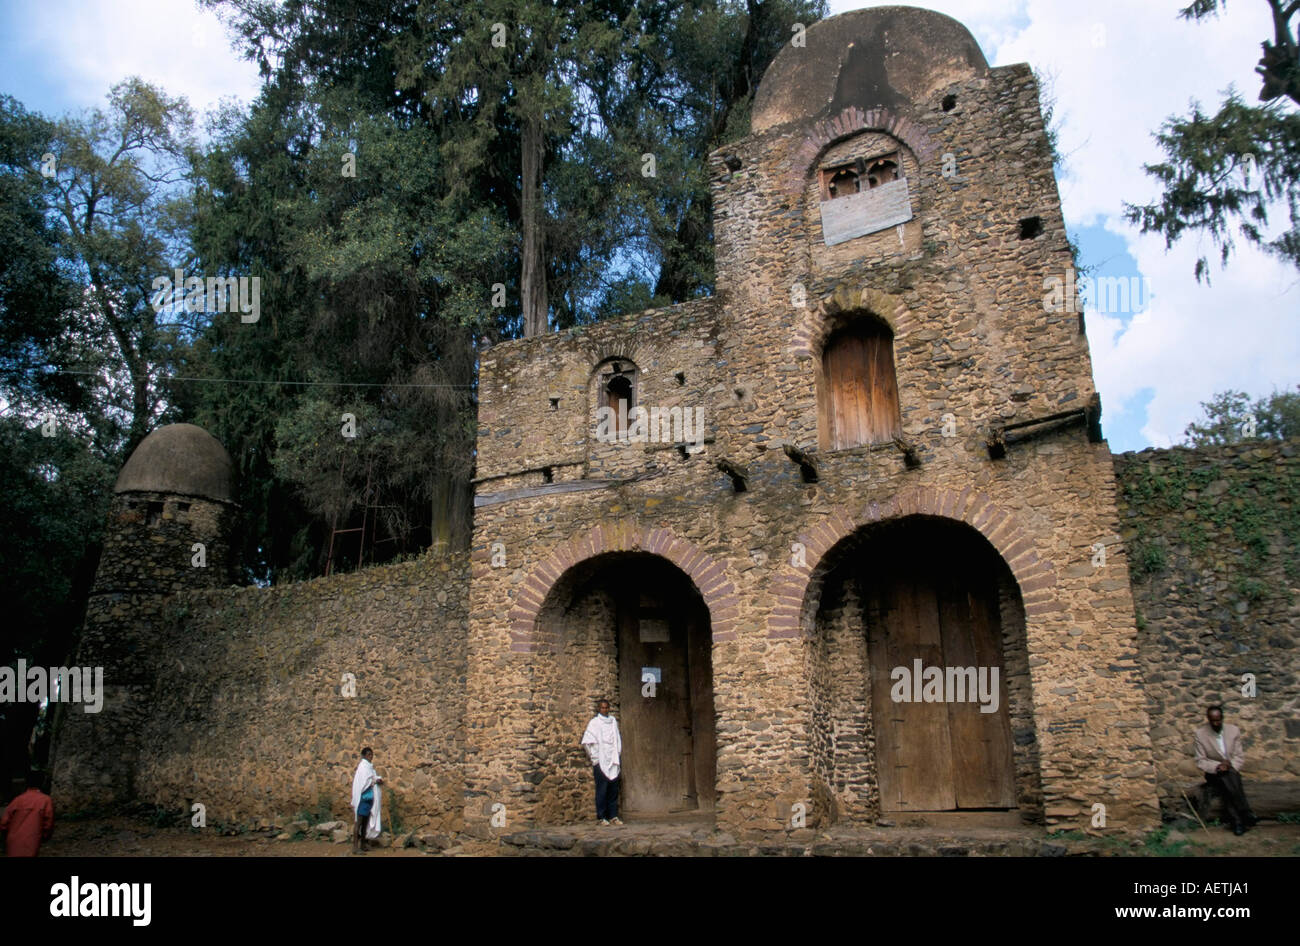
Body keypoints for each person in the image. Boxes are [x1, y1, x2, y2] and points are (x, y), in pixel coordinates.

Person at [1195, 705, 1258, 836]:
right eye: (1212, 720)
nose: (1215, 723)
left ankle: (1237, 822)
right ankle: (1245, 811)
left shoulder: (1233, 731)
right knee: (1226, 776)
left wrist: (1229, 764)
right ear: (1208, 719)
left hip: (1231, 769)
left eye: (1218, 720)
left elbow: (1239, 756)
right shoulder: (1200, 734)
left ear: (1222, 718)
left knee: (1227, 782)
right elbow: (1200, 760)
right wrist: (1217, 767)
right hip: (1214, 773)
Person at [581, 699, 623, 826]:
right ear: (599, 709)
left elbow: (617, 739)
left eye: (606, 707)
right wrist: (595, 758)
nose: (604, 709)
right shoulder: (594, 723)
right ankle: (601, 816)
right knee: (602, 789)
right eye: (602, 708)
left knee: (613, 789)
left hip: (612, 759)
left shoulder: (613, 722)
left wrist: (617, 754)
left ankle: (613, 815)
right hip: (601, 760)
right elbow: (587, 742)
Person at [1, 770, 55, 857]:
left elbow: (4, 822)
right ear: (42, 782)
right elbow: (48, 823)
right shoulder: (45, 800)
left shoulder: (17, 800)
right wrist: (44, 836)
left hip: (13, 841)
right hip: (32, 839)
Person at [350, 747, 383, 854]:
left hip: (369, 799)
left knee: (365, 823)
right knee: (358, 822)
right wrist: (374, 781)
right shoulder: (363, 767)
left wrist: (376, 780)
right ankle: (355, 847)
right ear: (364, 756)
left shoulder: (369, 768)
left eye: (372, 754)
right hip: (362, 799)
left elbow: (371, 778)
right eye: (369, 755)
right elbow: (364, 783)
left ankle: (363, 844)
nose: (371, 756)